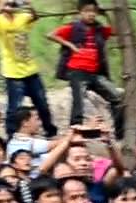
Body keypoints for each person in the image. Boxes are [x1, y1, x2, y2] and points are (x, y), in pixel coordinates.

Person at [49, 0, 124, 139]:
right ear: (80, 12)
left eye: (93, 11)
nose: (90, 14)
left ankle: (120, 135)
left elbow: (116, 32)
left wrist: (106, 15)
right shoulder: (73, 27)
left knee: (117, 98)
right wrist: (70, 45)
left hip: (95, 73)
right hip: (77, 71)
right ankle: (75, 135)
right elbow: (51, 34)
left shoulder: (99, 29)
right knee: (79, 103)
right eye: (87, 11)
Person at [0, 0, 57, 138]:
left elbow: (35, 17)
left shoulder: (22, 17)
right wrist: (0, 9)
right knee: (14, 107)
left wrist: (29, 6)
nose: (10, 5)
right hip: (12, 72)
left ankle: (50, 131)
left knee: (42, 103)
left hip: (30, 69)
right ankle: (11, 135)